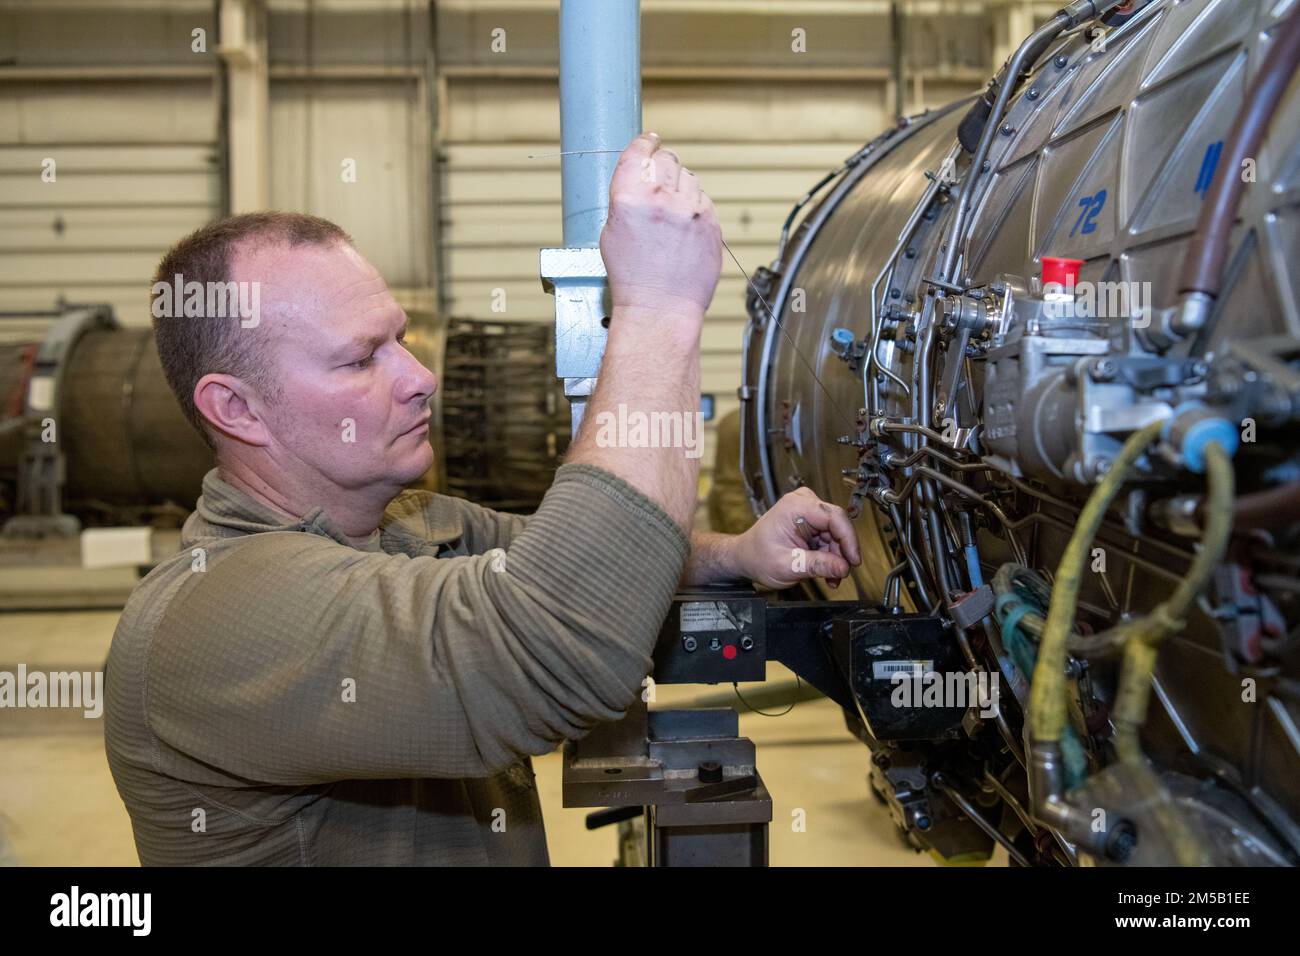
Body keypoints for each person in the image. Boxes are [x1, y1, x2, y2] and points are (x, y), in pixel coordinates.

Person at [105, 132, 861, 865]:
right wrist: (659, 309)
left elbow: (570, 564)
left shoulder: (408, 525)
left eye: (399, 338)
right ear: (236, 410)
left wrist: (734, 554)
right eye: (362, 358)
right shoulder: (214, 621)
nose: (418, 377)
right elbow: (560, 645)